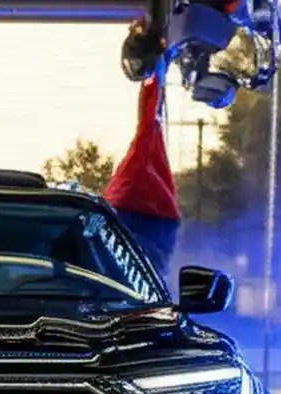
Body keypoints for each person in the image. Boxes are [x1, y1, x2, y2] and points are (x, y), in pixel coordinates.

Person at [105, 19, 182, 278]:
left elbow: (150, 108)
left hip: (143, 214)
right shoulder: (143, 158)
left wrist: (159, 64)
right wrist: (159, 63)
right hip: (143, 213)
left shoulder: (142, 159)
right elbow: (149, 109)